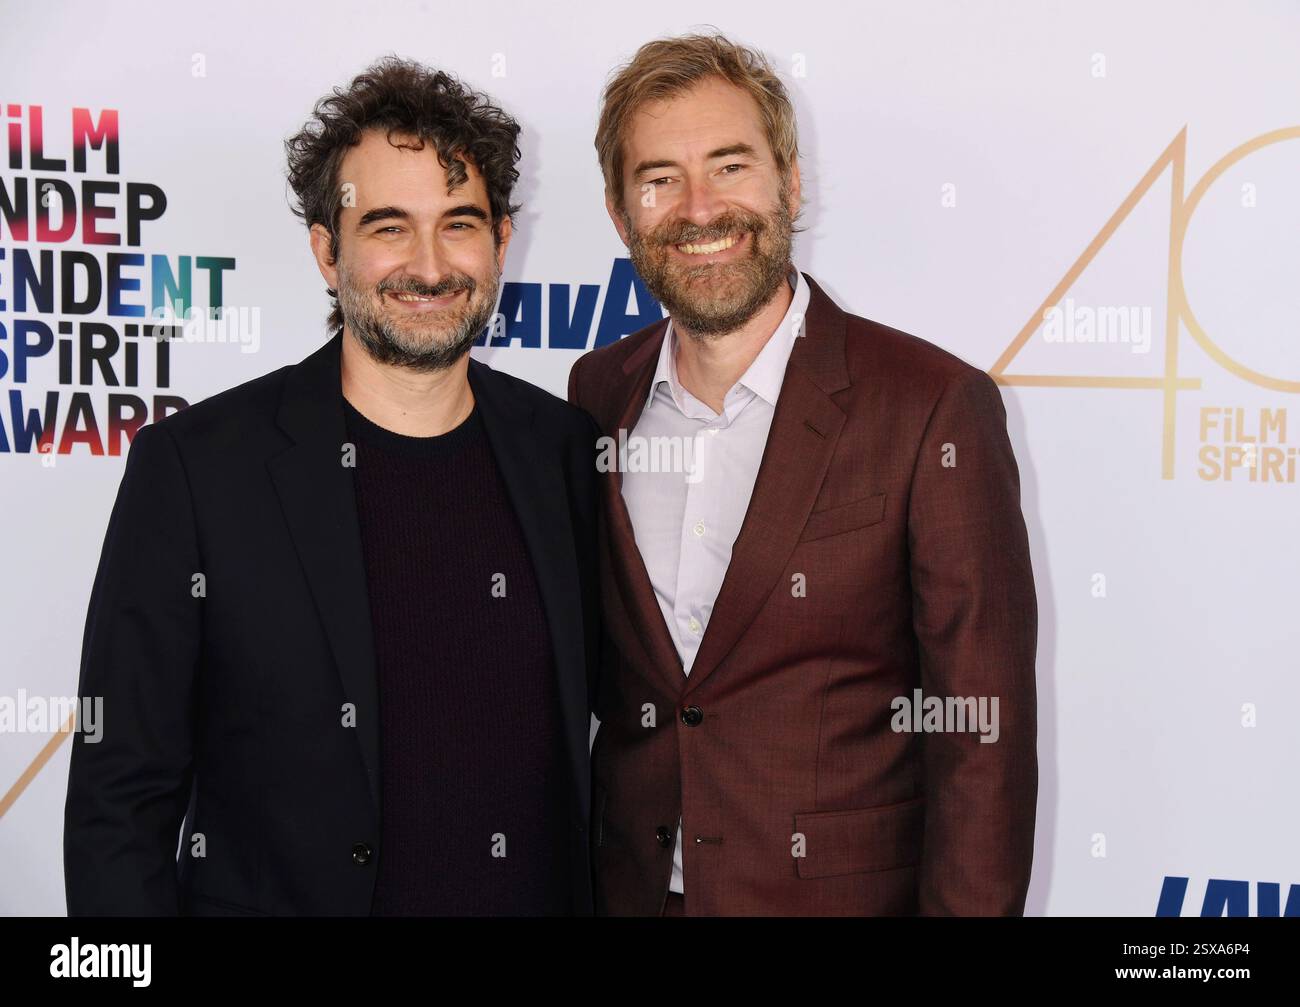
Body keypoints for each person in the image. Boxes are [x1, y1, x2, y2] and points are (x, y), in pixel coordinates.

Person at [64, 56, 600, 916]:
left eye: (459, 223)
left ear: (502, 240)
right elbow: (117, 804)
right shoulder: (199, 470)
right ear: (327, 249)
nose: (429, 266)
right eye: (389, 226)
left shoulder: (568, 453)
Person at [569, 32, 1038, 916]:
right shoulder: (598, 391)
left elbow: (980, 736)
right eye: (660, 178)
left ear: (790, 181)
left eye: (731, 166)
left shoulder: (931, 405)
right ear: (621, 213)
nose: (699, 208)